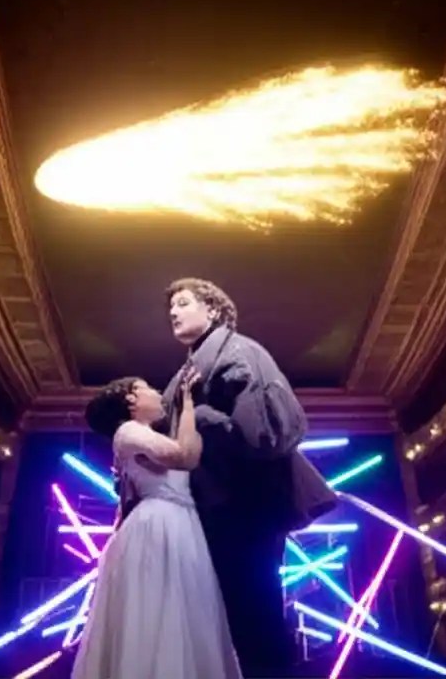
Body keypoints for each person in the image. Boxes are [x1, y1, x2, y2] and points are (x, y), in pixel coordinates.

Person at [150, 277, 338, 677]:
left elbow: (269, 433)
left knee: (251, 618)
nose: (173, 312)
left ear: (213, 310)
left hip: (242, 510)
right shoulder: (192, 369)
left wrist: (201, 418)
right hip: (218, 511)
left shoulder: (238, 352)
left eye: (183, 303)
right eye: (171, 307)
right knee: (233, 618)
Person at [72, 374, 241, 679]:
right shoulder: (127, 431)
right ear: (131, 400)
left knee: (178, 613)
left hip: (177, 521)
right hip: (159, 524)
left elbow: (184, 453)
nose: (157, 392)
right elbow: (183, 456)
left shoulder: (144, 434)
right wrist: (187, 403)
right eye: (147, 388)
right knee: (157, 612)